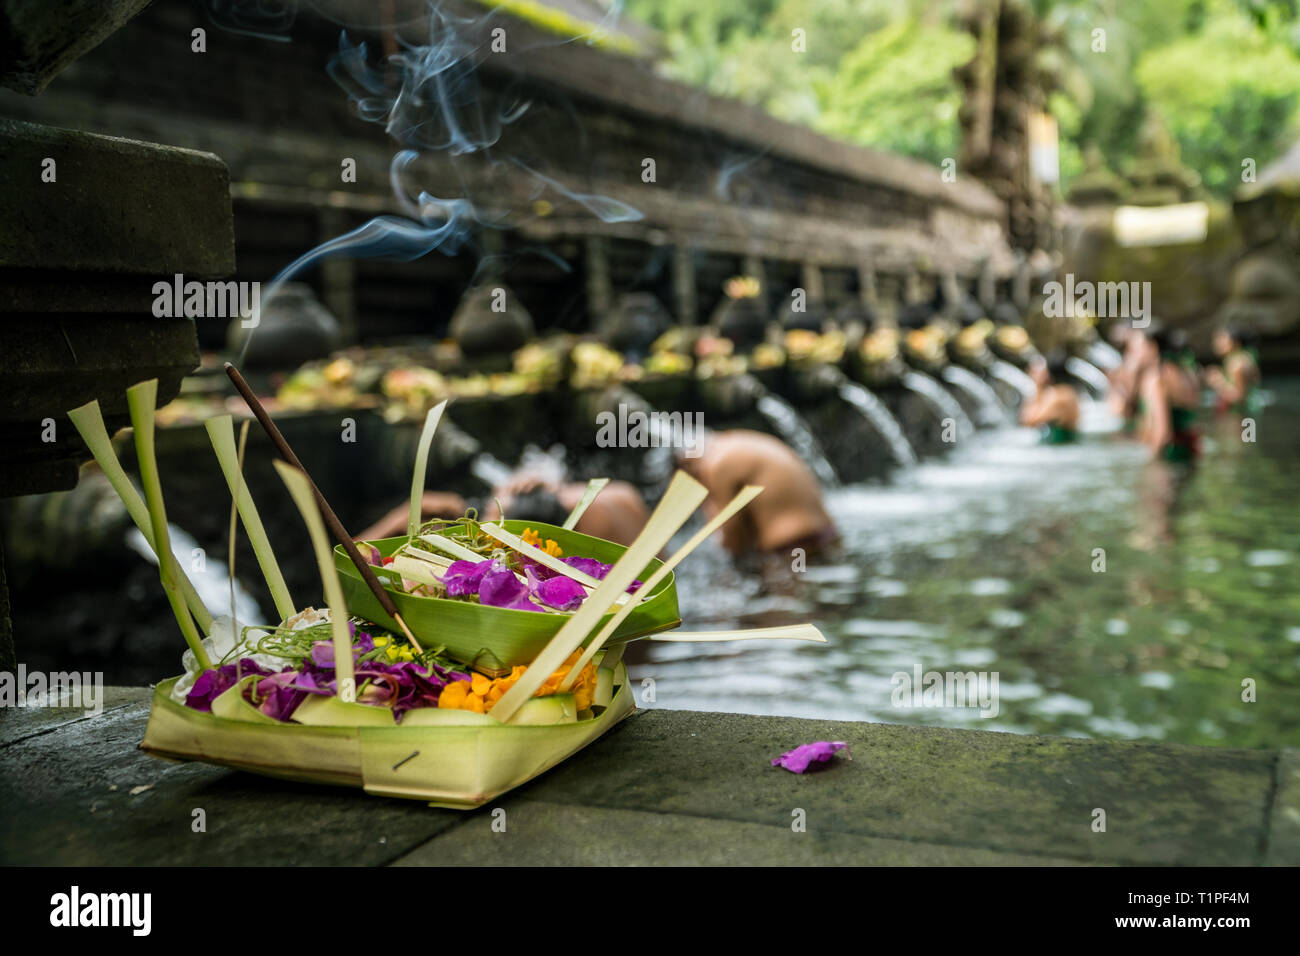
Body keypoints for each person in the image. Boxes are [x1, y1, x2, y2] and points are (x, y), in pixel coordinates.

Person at [674, 429, 836, 556]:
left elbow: (731, 537)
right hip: (825, 536)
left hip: (790, 548)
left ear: (688, 466)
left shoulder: (716, 465)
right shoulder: (738, 443)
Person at [1138, 326, 1202, 461]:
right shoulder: (1187, 373)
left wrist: (1151, 464)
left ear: (1153, 347)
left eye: (1141, 346)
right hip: (1189, 450)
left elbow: (1162, 431)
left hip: (1168, 453)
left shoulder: (1158, 378)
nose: (1138, 351)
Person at [1020, 352, 1081, 443]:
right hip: (1066, 445)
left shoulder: (1057, 396)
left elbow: (1028, 420)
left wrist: (1038, 387)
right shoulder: (1068, 391)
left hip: (1060, 449)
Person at [1204, 325, 1260, 414]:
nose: (1216, 343)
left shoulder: (1237, 363)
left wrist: (1217, 382)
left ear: (1235, 342)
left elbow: (1240, 397)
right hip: (1246, 415)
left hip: (1241, 415)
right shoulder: (1242, 358)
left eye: (1221, 338)